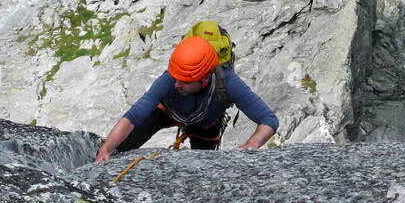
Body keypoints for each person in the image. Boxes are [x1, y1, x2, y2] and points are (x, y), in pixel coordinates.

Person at [95, 35, 278, 161]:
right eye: (176, 79)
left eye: (185, 81)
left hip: (206, 124)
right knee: (120, 149)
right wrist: (106, 149)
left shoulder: (228, 82)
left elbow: (268, 120)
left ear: (206, 77)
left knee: (203, 172)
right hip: (166, 113)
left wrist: (251, 145)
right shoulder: (170, 79)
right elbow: (132, 118)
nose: (176, 85)